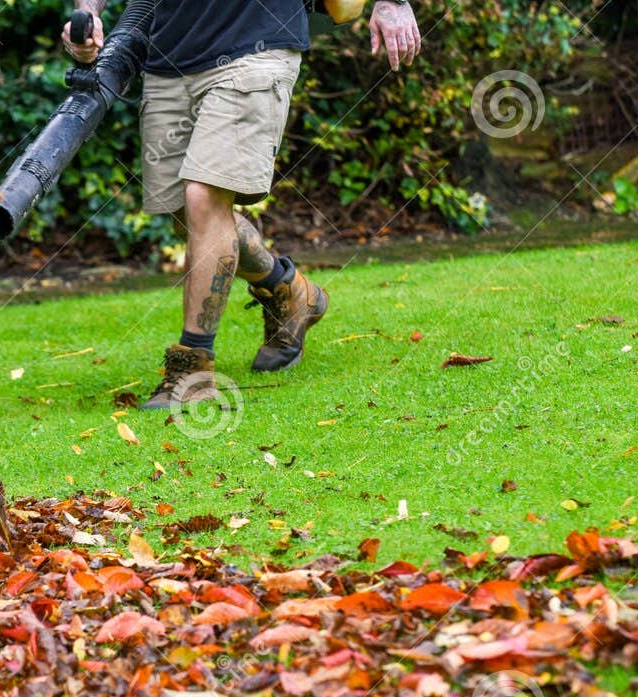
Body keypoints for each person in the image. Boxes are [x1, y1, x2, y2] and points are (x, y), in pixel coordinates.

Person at [62, 1, 423, 409]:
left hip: (257, 44)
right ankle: (288, 290)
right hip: (169, 60)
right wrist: (88, 13)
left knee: (204, 198)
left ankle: (193, 369)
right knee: (187, 215)